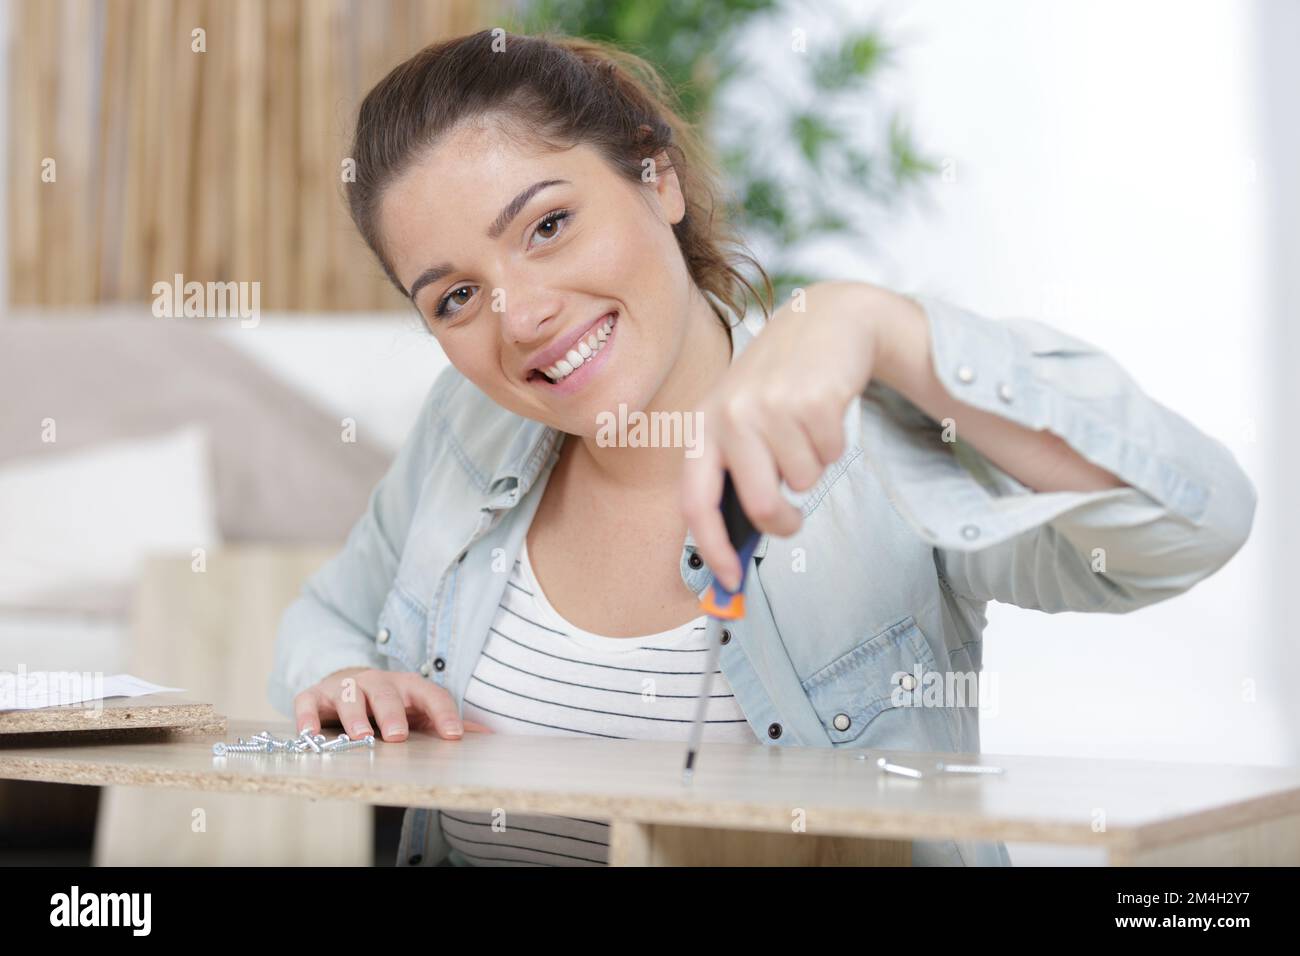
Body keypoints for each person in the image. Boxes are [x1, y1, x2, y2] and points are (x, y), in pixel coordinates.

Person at [269, 29, 1256, 867]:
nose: (519, 316)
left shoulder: (872, 441)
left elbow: (1192, 522)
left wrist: (887, 328)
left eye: (549, 225)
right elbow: (328, 616)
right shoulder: (467, 423)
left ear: (656, 178)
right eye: (454, 297)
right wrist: (345, 682)